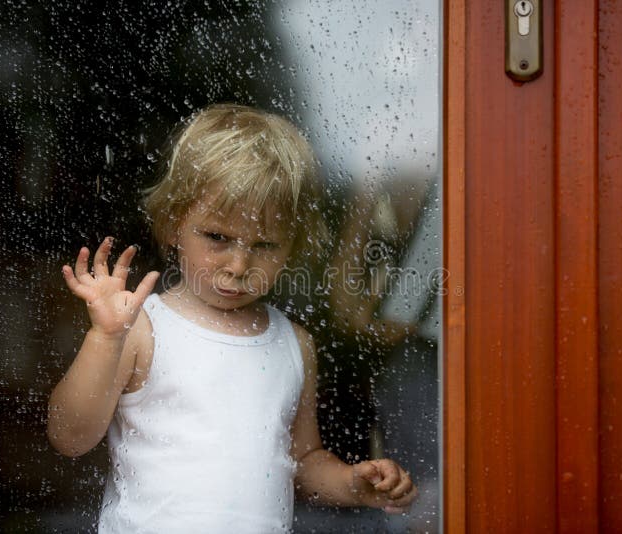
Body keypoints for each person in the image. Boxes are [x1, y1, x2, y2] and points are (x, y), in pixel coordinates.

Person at [46, 104, 417, 533]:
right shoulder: (142, 328)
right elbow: (69, 437)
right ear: (171, 225)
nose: (239, 264)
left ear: (293, 246)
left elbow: (303, 462)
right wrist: (105, 338)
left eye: (264, 245)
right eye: (217, 237)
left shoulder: (294, 344)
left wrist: (352, 483)